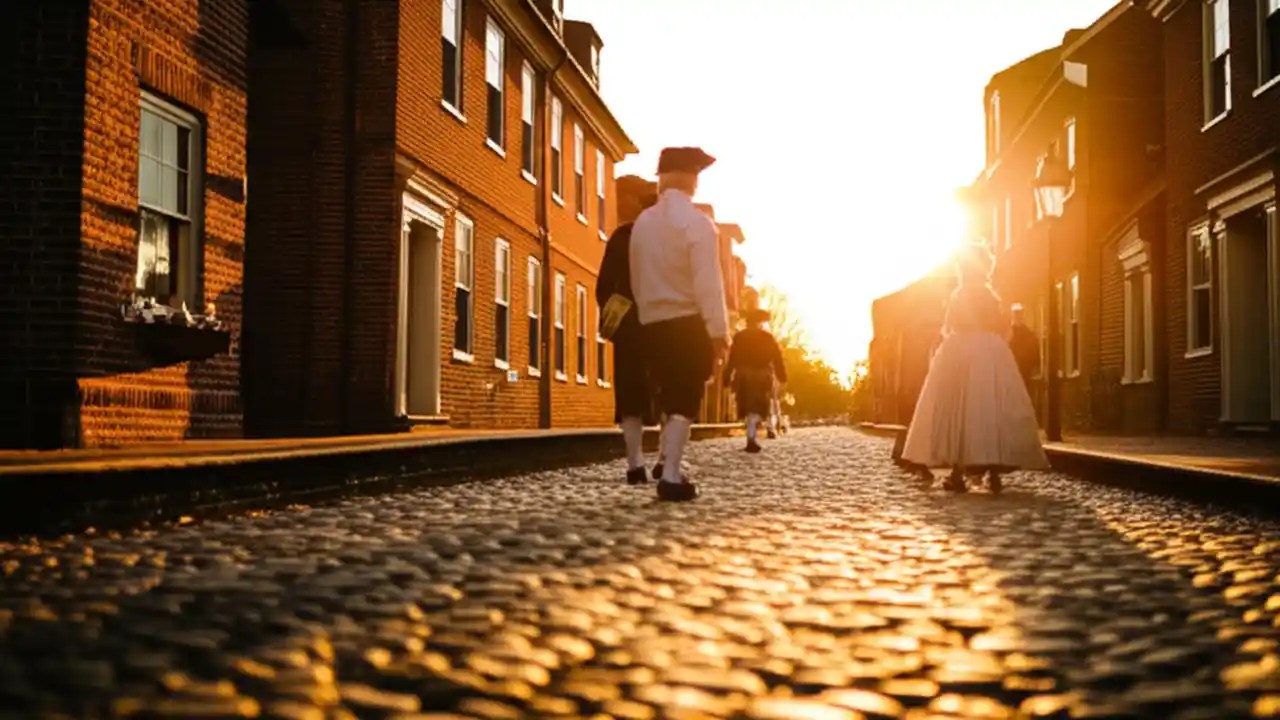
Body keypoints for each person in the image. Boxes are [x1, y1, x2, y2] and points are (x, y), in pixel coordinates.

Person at [900, 242, 1049, 493]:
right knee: (992, 408)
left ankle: (958, 473)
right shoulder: (991, 295)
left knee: (959, 410)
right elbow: (1004, 328)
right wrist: (992, 341)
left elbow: (948, 326)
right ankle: (993, 474)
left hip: (961, 350)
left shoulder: (960, 294)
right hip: (991, 350)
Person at [630, 146, 729, 502]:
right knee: (684, 399)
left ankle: (666, 459)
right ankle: (671, 472)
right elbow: (708, 283)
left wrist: (645, 317)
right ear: (692, 180)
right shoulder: (698, 224)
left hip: (652, 321)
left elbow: (637, 277)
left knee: (666, 394)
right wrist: (718, 332)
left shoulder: (642, 224)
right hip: (687, 322)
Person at [596, 190, 660, 485]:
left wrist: (615, 313)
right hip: (666, 323)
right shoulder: (674, 240)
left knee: (630, 396)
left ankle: (635, 464)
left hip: (631, 325)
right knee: (669, 393)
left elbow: (604, 286)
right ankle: (665, 459)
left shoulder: (623, 236)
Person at [723, 308, 787, 453]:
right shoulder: (767, 337)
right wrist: (782, 376)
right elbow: (777, 357)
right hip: (761, 375)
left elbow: (732, 358)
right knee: (758, 406)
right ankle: (751, 436)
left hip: (743, 374)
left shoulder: (740, 337)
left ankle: (751, 435)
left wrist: (727, 376)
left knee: (747, 406)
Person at [1007, 303, 1040, 395]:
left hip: (1024, 370)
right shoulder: (1008, 334)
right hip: (1012, 371)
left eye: (1018, 314)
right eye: (1015, 315)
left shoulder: (1028, 334)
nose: (1017, 317)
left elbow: (1034, 352)